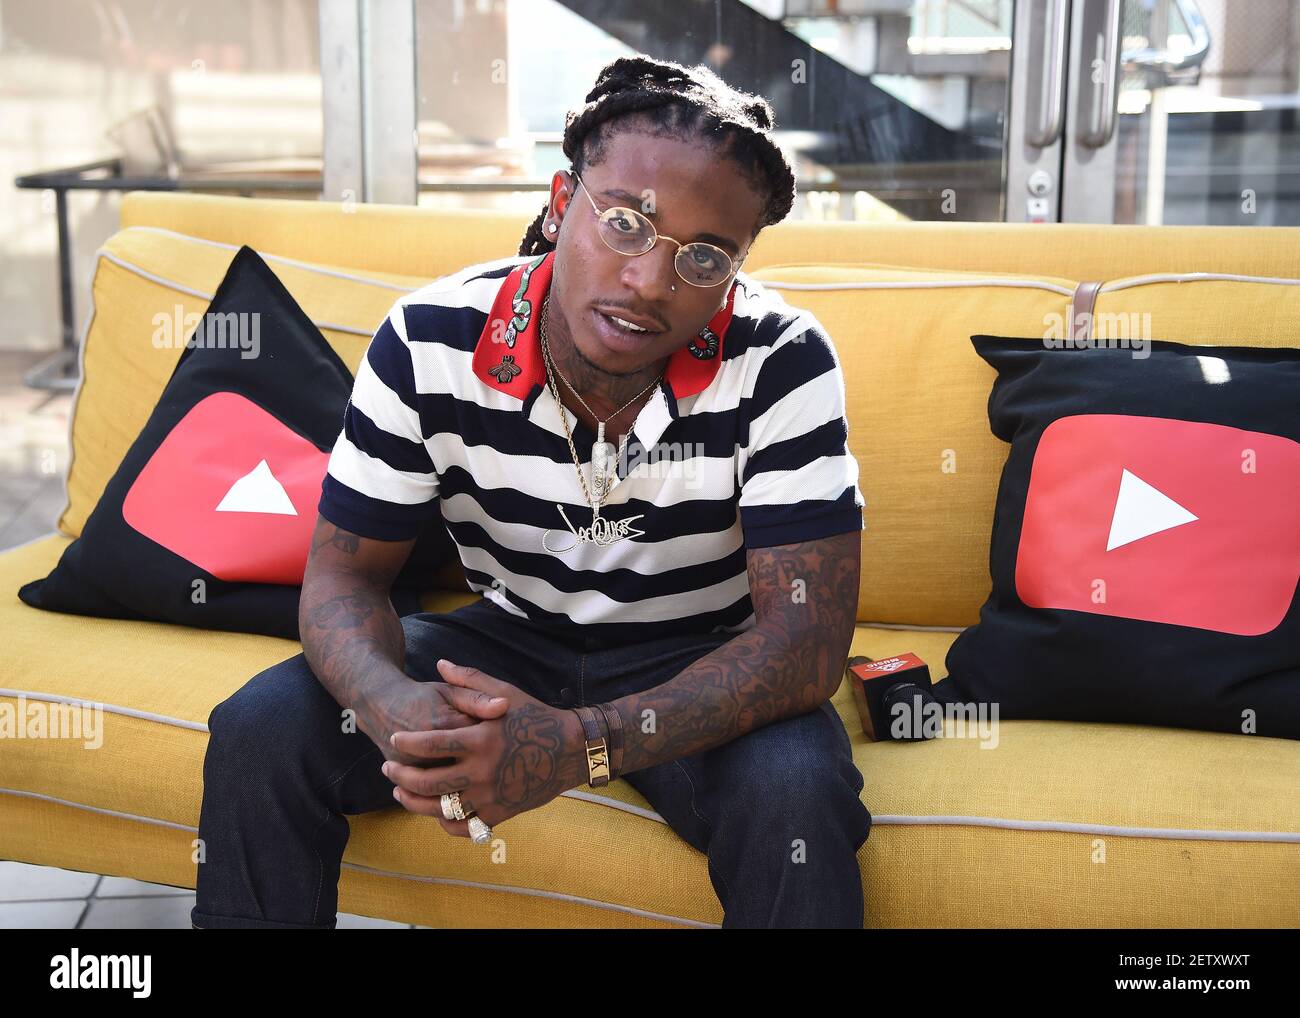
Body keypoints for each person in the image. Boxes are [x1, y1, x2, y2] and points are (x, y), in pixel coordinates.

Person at [192, 54, 870, 930]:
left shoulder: (781, 361)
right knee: (260, 730)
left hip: (702, 654)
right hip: (510, 641)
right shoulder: (427, 341)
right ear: (561, 204)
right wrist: (391, 707)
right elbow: (343, 581)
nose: (651, 282)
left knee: (795, 792)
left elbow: (807, 646)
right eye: (625, 222)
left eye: (705, 256)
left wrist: (580, 744)